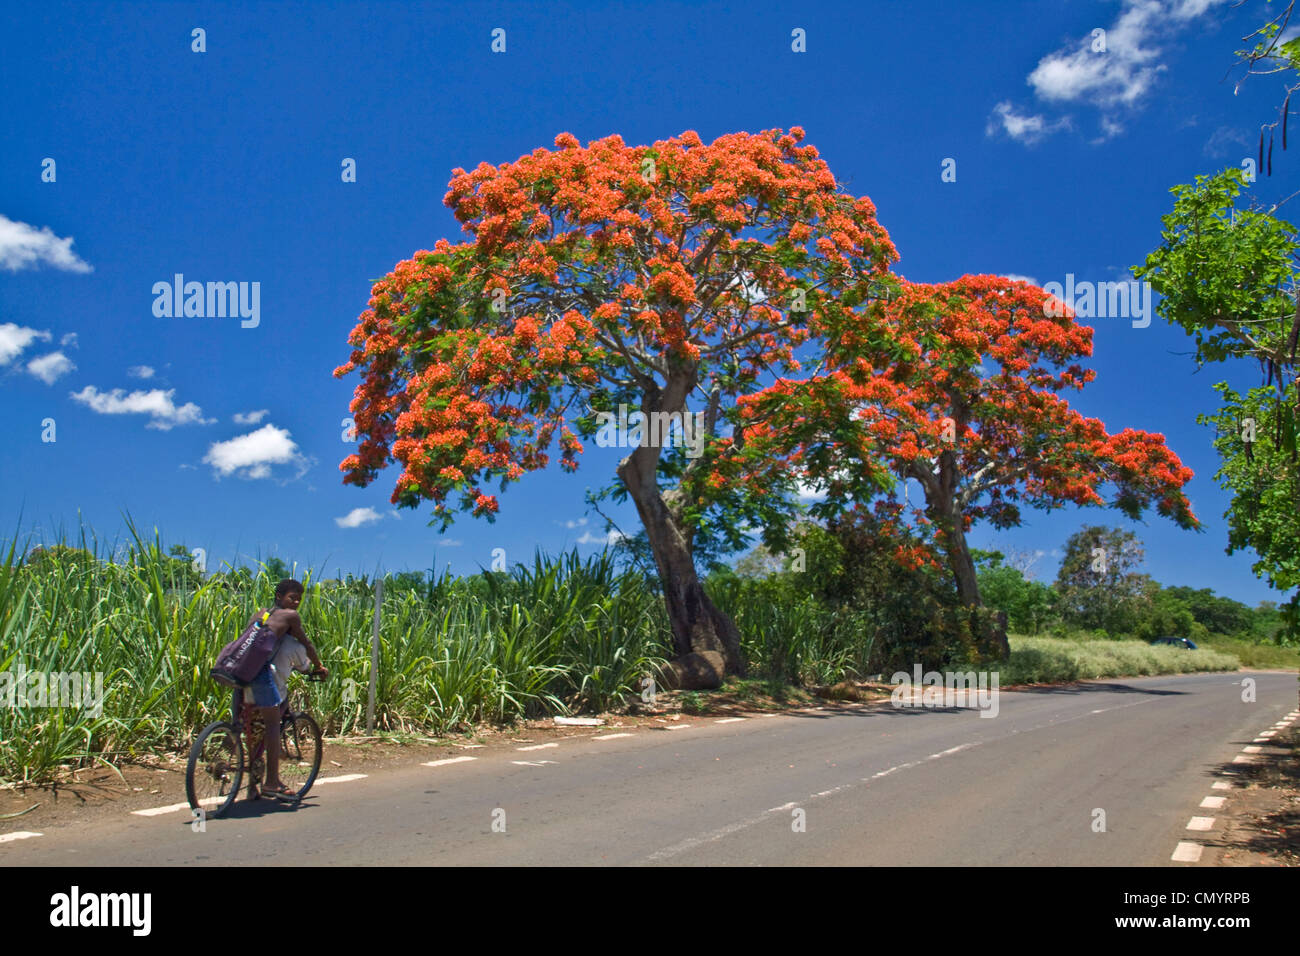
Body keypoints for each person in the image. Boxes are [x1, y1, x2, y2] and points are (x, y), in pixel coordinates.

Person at [242, 579, 328, 799]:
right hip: (264, 680)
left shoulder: (261, 615)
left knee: (250, 732)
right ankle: (271, 782)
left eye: (299, 598)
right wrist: (318, 667)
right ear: (279, 596)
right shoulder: (291, 621)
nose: (297, 602)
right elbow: (307, 644)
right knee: (271, 727)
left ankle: (251, 787)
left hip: (242, 675)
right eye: (292, 597)